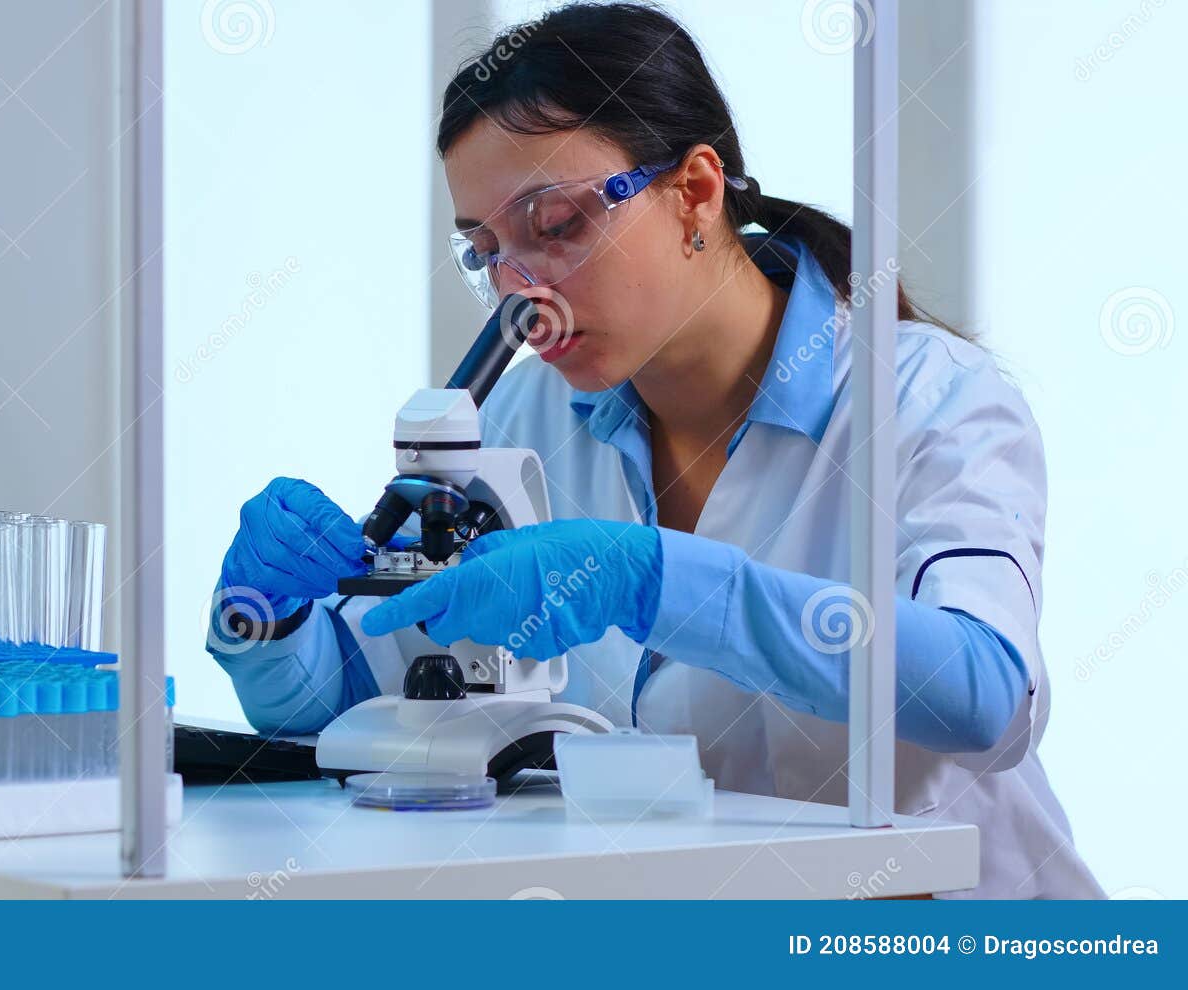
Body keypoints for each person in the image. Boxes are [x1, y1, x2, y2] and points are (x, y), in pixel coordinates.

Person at [206, 2, 1099, 899]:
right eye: (485, 252)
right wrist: (271, 622)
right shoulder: (527, 408)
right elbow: (376, 691)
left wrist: (656, 581)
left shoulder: (928, 397)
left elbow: (984, 693)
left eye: (556, 224)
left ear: (696, 192)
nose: (519, 289)